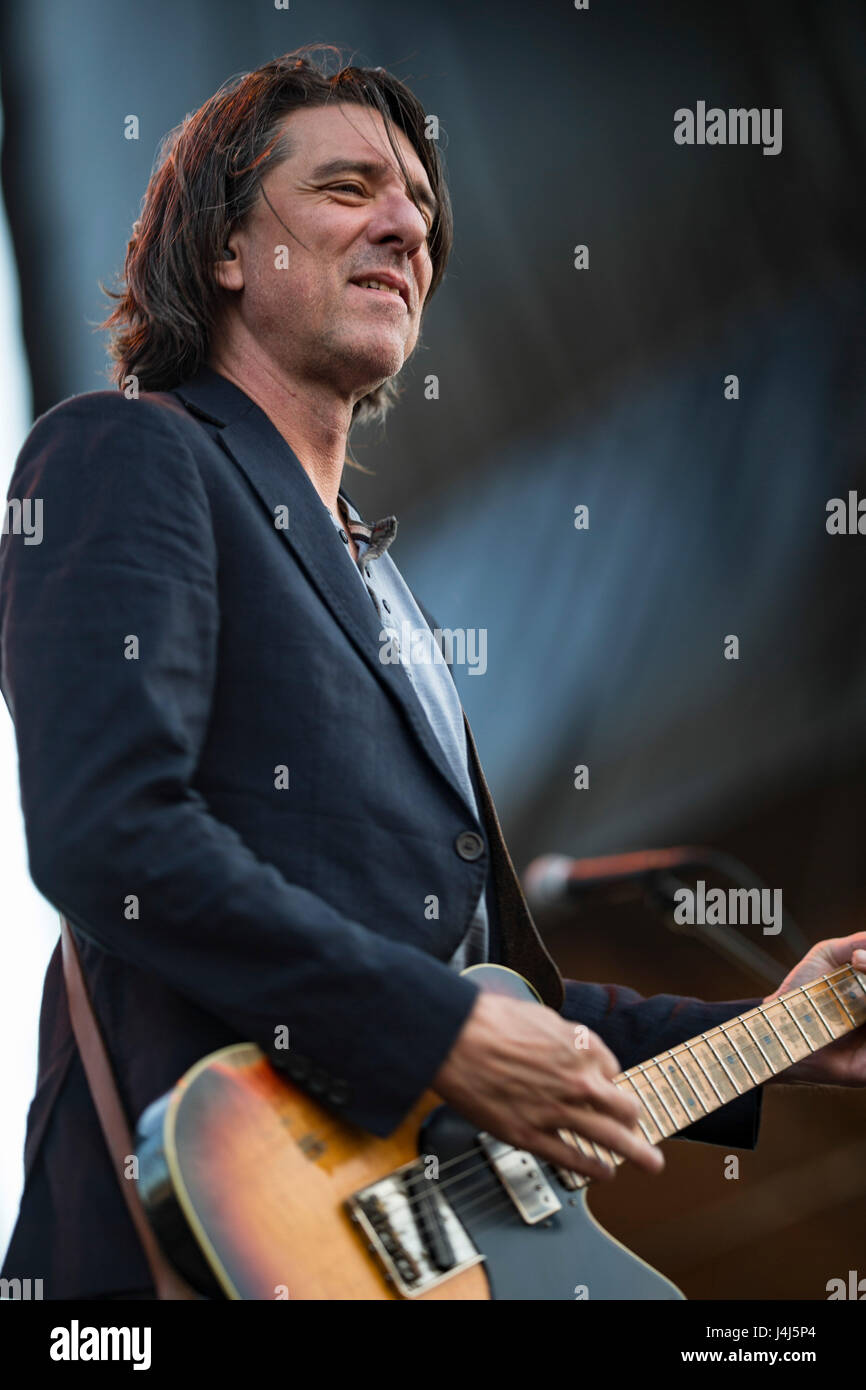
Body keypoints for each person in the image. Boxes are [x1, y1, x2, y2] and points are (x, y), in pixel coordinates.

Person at [1, 47, 864, 1301]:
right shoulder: (127, 453)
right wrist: (442, 1033)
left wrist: (782, 1032)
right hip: (184, 1253)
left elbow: (505, 1006)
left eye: (417, 200)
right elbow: (110, 836)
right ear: (227, 252)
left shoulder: (390, 597)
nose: (409, 222)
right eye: (348, 188)